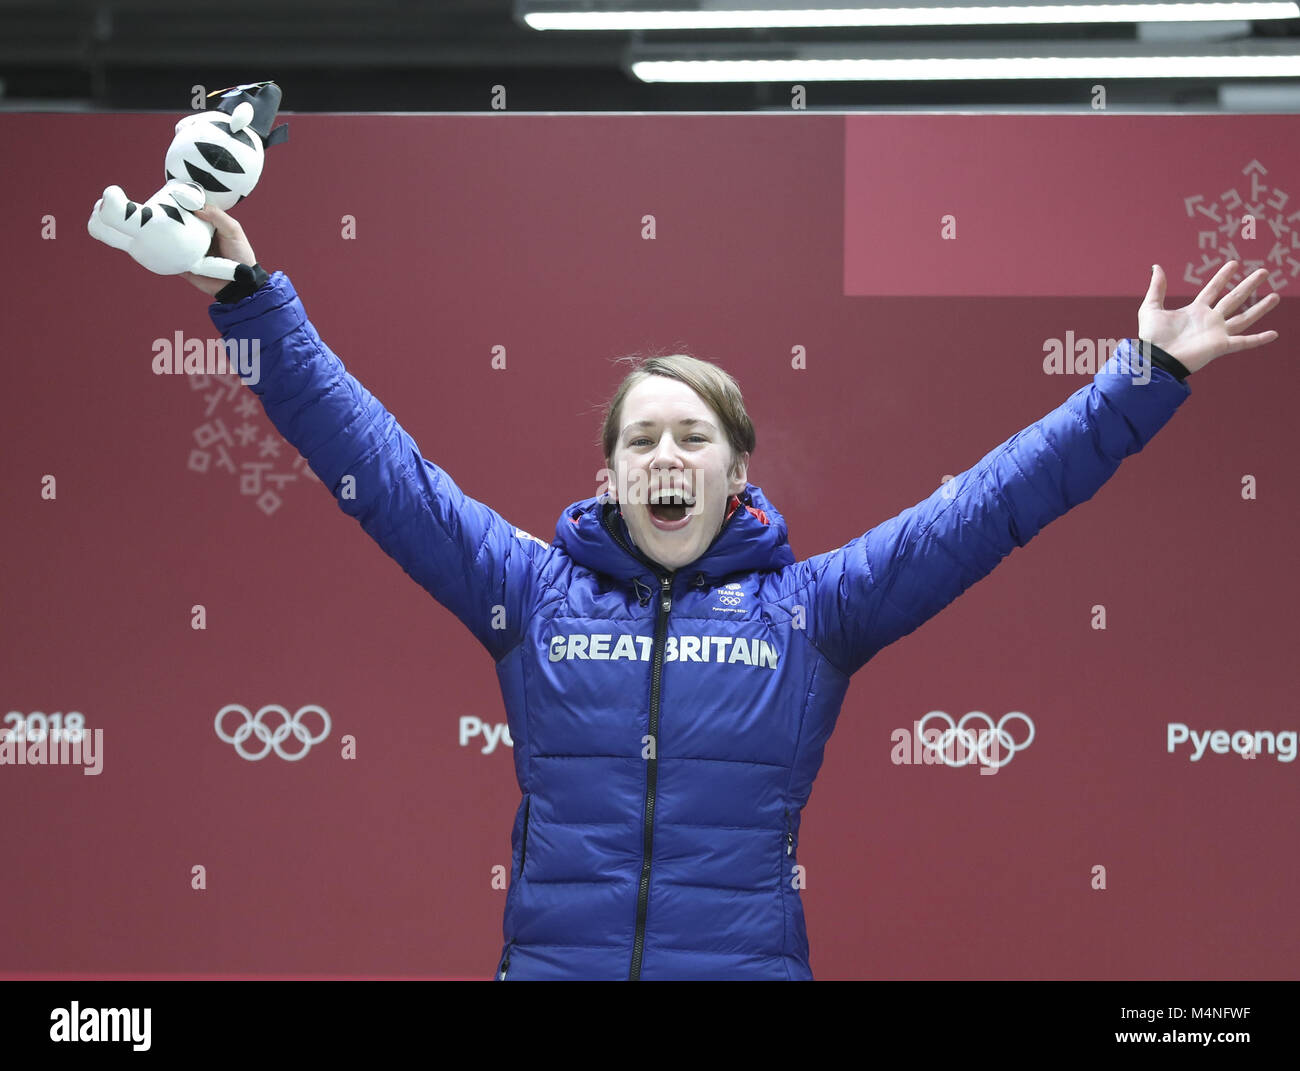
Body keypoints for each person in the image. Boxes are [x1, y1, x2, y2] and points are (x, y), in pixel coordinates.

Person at [184, 206, 1280, 981]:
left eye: (694, 436)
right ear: (609, 473)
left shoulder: (813, 614)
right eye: (642, 438)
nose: (668, 454)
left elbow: (987, 507)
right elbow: (378, 471)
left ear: (734, 469)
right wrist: (249, 298)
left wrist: (1141, 379)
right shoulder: (525, 589)